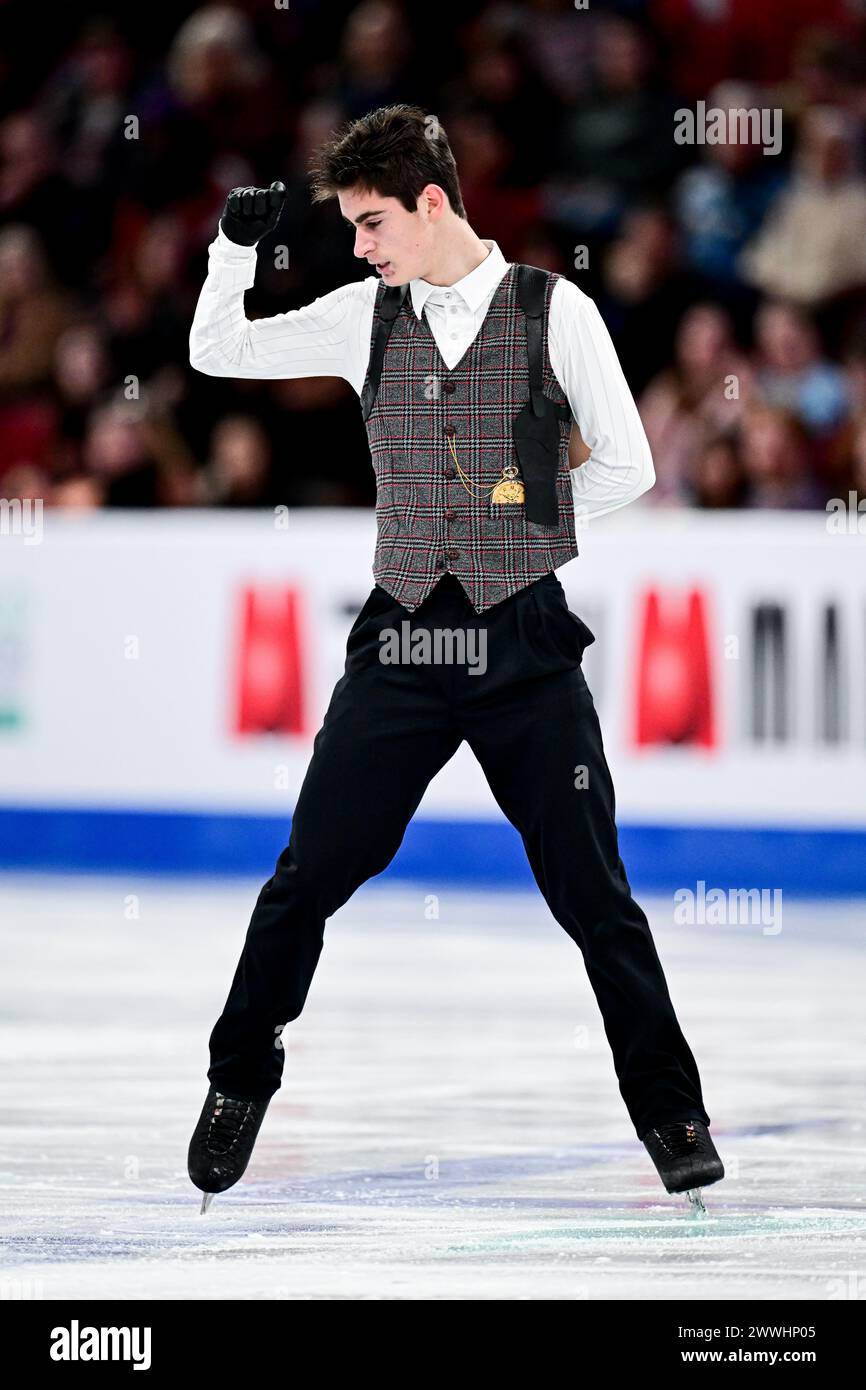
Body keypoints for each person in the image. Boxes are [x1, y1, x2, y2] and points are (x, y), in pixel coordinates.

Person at [186, 104, 723, 1213]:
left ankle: (671, 1115)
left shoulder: (550, 309)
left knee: (594, 895)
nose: (360, 248)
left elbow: (625, 465)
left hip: (522, 641)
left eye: (372, 224)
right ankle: (239, 1077)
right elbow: (215, 349)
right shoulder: (359, 316)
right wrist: (229, 253)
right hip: (400, 644)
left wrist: (519, 528)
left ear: (432, 203)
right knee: (308, 875)